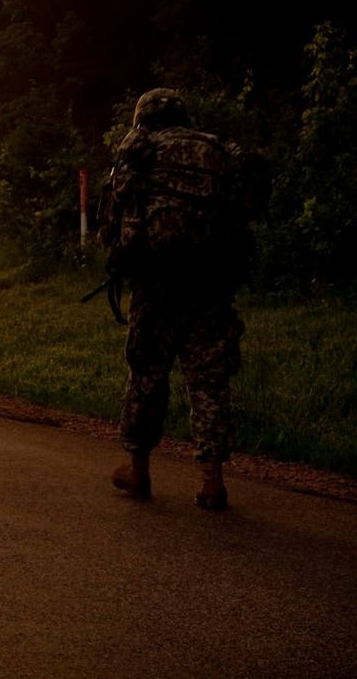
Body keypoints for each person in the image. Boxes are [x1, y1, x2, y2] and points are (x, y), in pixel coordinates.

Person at [97, 89, 268, 508]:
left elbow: (111, 222)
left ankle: (138, 470)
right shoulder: (217, 148)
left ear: (142, 119)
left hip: (156, 285)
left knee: (147, 374)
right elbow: (245, 207)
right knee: (209, 380)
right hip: (211, 284)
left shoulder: (139, 149)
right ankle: (212, 480)